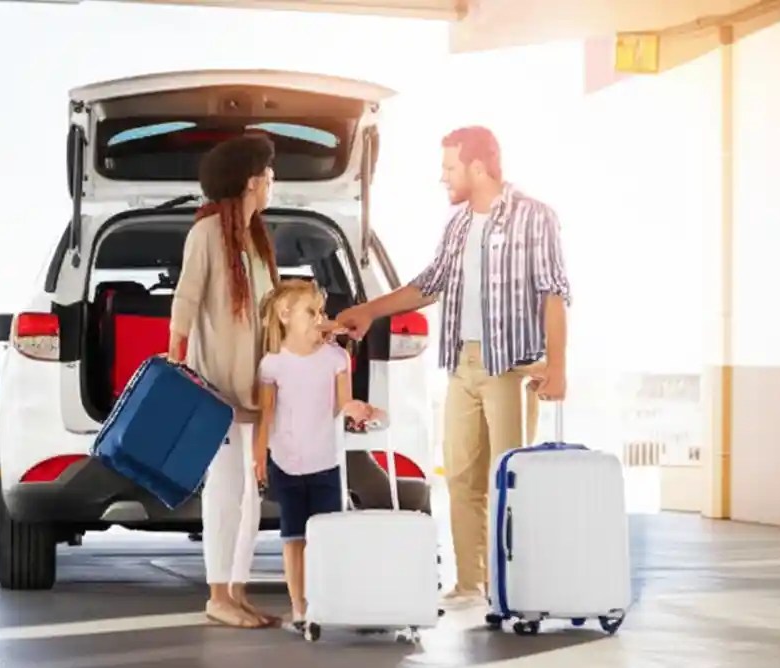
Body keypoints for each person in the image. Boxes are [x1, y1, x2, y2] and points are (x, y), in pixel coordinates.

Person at [332, 126, 571, 610]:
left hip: (508, 365)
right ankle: (470, 584)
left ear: (478, 167)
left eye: (450, 168)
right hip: (461, 364)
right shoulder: (459, 223)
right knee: (461, 475)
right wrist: (368, 311)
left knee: (508, 477)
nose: (443, 177)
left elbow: (555, 293)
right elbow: (430, 283)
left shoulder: (535, 217)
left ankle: (516, 583)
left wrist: (559, 366)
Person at [169, 134, 281, 629]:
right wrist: (177, 369)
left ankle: (236, 590)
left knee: (251, 493)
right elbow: (185, 301)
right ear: (254, 181)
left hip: (254, 387)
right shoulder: (208, 232)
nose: (274, 182)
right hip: (215, 387)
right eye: (271, 175)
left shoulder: (255, 239)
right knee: (226, 488)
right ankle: (217, 594)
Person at [252, 280, 380, 632]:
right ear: (285, 315)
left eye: (321, 312)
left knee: (325, 535)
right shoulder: (272, 365)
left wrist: (359, 409)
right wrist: (259, 456)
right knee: (293, 537)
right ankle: (299, 605)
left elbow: (343, 403)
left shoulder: (336, 358)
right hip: (286, 462)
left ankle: (329, 599)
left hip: (326, 462)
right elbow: (267, 413)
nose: (320, 318)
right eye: (312, 311)